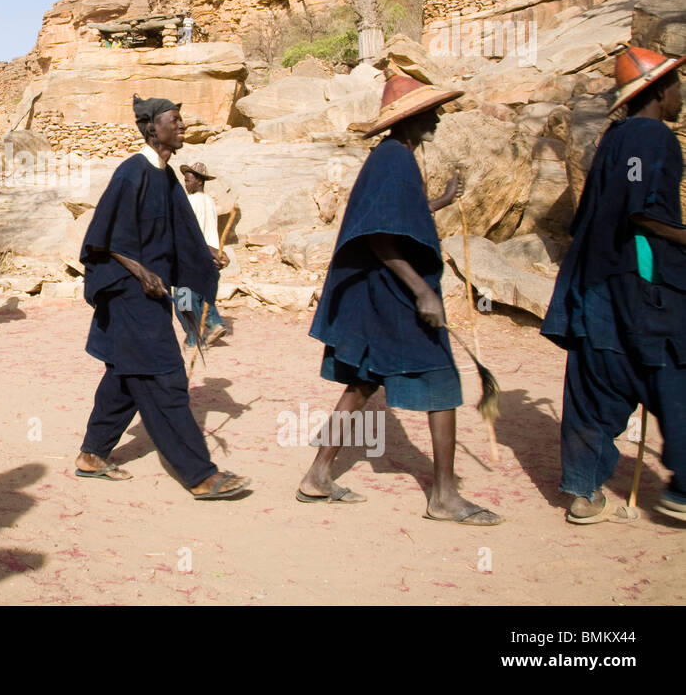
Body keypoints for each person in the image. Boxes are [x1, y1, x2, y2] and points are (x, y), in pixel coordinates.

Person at [297, 74, 503, 525]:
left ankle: (318, 476)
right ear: (410, 118)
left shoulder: (396, 158)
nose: (438, 116)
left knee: (364, 382)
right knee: (443, 382)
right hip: (394, 295)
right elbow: (377, 237)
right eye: (430, 111)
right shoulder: (394, 159)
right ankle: (445, 496)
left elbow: (396, 214)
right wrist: (423, 290)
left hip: (381, 295)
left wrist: (440, 201)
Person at [73, 95, 250, 499]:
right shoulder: (130, 173)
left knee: (124, 376)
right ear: (153, 127)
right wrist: (139, 270)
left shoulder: (167, 176)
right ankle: (201, 475)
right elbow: (102, 238)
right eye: (176, 120)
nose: (183, 126)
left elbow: (176, 231)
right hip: (126, 292)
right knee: (165, 377)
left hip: (149, 291)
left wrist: (206, 253)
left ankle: (92, 455)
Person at [541, 45, 686, 524]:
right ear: (659, 91)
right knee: (673, 374)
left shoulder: (615, 138)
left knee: (596, 382)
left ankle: (584, 491)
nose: (682, 92)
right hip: (641, 285)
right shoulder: (651, 136)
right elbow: (640, 209)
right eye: (677, 84)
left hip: (595, 284)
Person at [175, 162, 229, 345]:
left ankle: (198, 334)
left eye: (188, 180)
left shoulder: (191, 202)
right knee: (199, 296)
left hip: (194, 255)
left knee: (182, 300)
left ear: (199, 181)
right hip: (211, 255)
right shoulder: (209, 202)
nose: (185, 183)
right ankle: (210, 326)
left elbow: (190, 232)